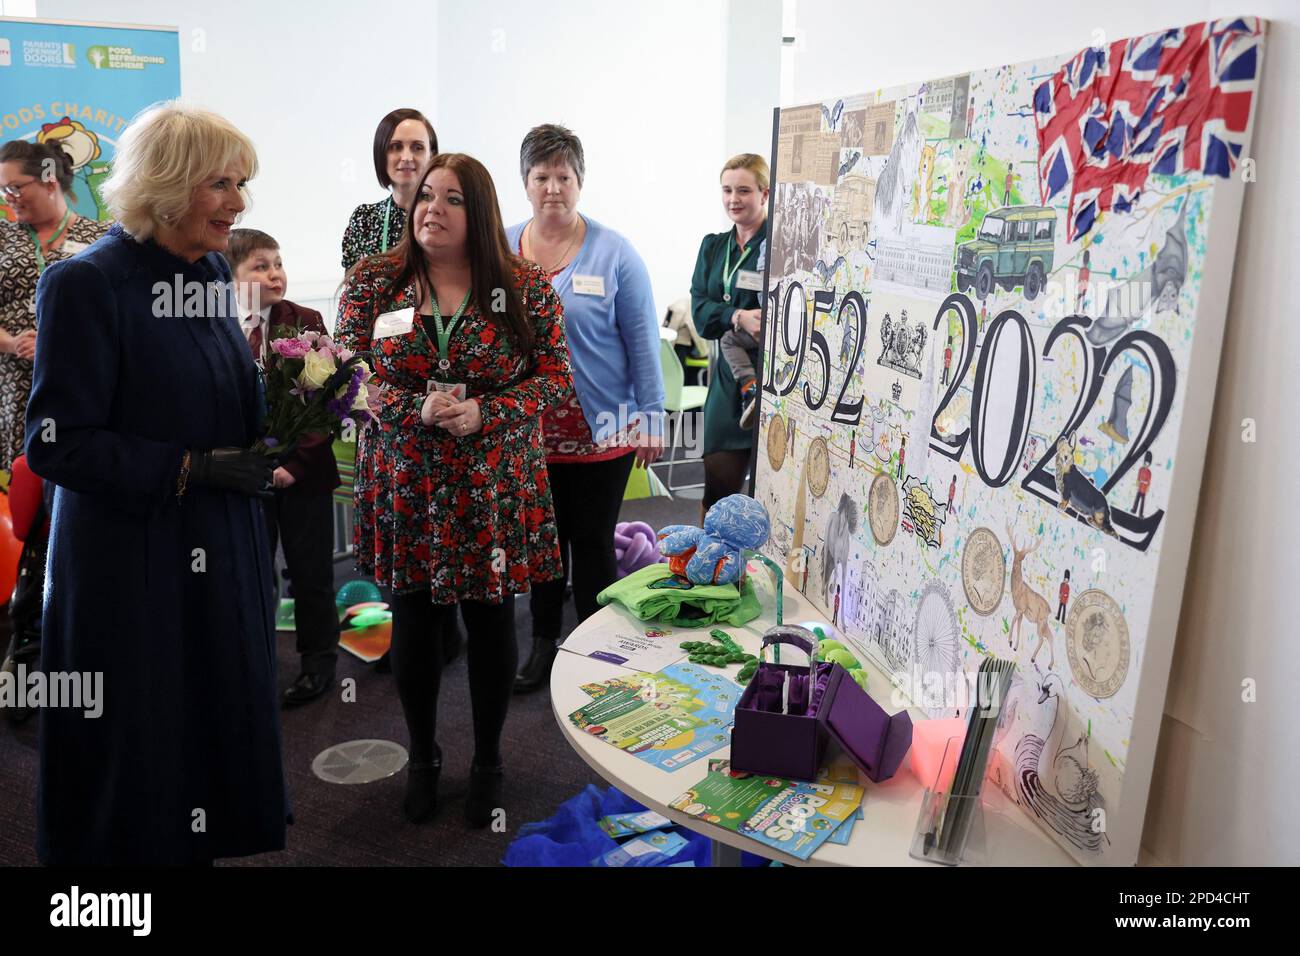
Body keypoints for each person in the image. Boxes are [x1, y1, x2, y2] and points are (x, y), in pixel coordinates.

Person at [25, 103, 287, 864]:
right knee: (140, 762)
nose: (239, 203)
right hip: (132, 572)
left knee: (204, 740)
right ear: (167, 186)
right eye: (222, 184)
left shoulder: (206, 266)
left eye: (242, 184)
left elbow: (212, 391)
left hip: (217, 553)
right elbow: (57, 444)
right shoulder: (85, 284)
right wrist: (188, 467)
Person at [335, 153, 572, 826]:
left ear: (482, 213)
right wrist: (407, 407)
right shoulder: (375, 280)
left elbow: (555, 374)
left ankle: (489, 760)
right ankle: (423, 756)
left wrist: (486, 412)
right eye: (427, 197)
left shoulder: (522, 284)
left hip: (490, 480)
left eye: (452, 199)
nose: (431, 208)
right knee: (411, 617)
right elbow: (344, 368)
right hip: (406, 479)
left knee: (491, 617)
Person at [505, 124, 665, 693]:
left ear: (580, 182)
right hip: (528, 429)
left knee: (593, 542)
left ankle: (597, 650)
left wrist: (652, 415)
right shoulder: (502, 246)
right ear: (525, 182)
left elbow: (643, 340)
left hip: (605, 428)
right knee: (542, 544)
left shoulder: (614, 251)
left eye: (563, 177)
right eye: (541, 176)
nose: (553, 188)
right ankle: (545, 644)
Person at [228, 228, 341, 705]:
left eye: (278, 262)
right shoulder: (218, 325)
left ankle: (319, 664)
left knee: (309, 572)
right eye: (260, 265)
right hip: (242, 475)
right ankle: (252, 662)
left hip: (304, 474)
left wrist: (294, 464)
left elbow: (327, 404)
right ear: (230, 276)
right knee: (249, 575)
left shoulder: (306, 321)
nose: (275, 273)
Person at [0, 140, 110, 473]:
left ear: (49, 180)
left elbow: (117, 314)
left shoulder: (103, 238)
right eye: (4, 190)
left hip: (81, 383)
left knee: (75, 473)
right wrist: (14, 343)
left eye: (15, 187)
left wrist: (57, 346)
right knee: (19, 492)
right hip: (14, 387)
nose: (9, 198)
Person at [691, 153, 769, 517]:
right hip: (728, 378)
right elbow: (701, 316)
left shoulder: (780, 245)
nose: (733, 199)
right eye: (727, 190)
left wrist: (731, 319)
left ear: (764, 194)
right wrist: (736, 315)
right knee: (718, 496)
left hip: (774, 377)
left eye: (743, 190)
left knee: (771, 499)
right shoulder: (713, 246)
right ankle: (707, 570)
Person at [341, 108, 438, 270]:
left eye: (417, 147)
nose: (406, 157)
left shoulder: (444, 216)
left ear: (432, 156)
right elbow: (352, 291)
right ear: (381, 155)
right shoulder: (365, 219)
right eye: (396, 147)